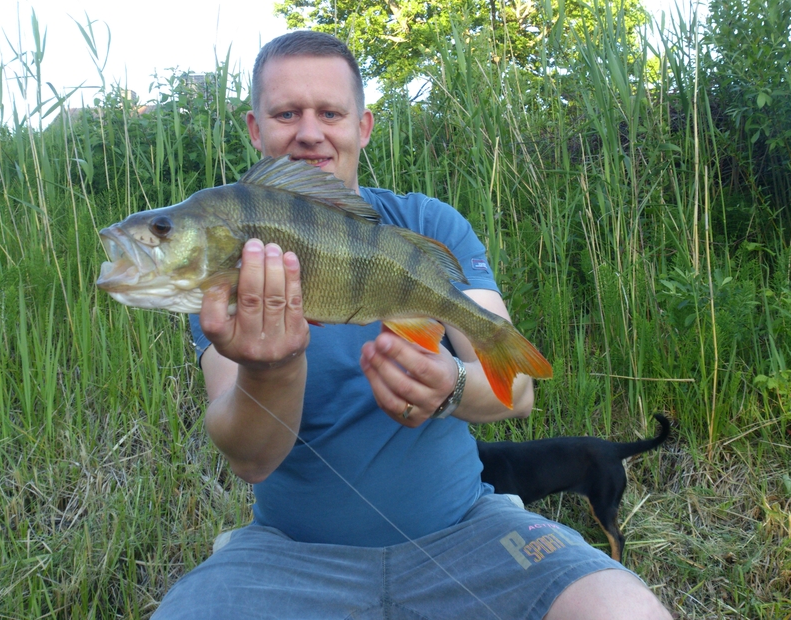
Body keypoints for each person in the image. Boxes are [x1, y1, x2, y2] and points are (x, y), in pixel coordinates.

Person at [153, 30, 671, 619]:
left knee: (624, 609)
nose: (309, 131)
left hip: (467, 530)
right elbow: (249, 459)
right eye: (286, 113)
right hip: (291, 557)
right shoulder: (228, 257)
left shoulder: (425, 224)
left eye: (330, 112)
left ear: (363, 126)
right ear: (255, 128)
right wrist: (270, 371)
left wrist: (450, 385)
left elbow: (517, 393)